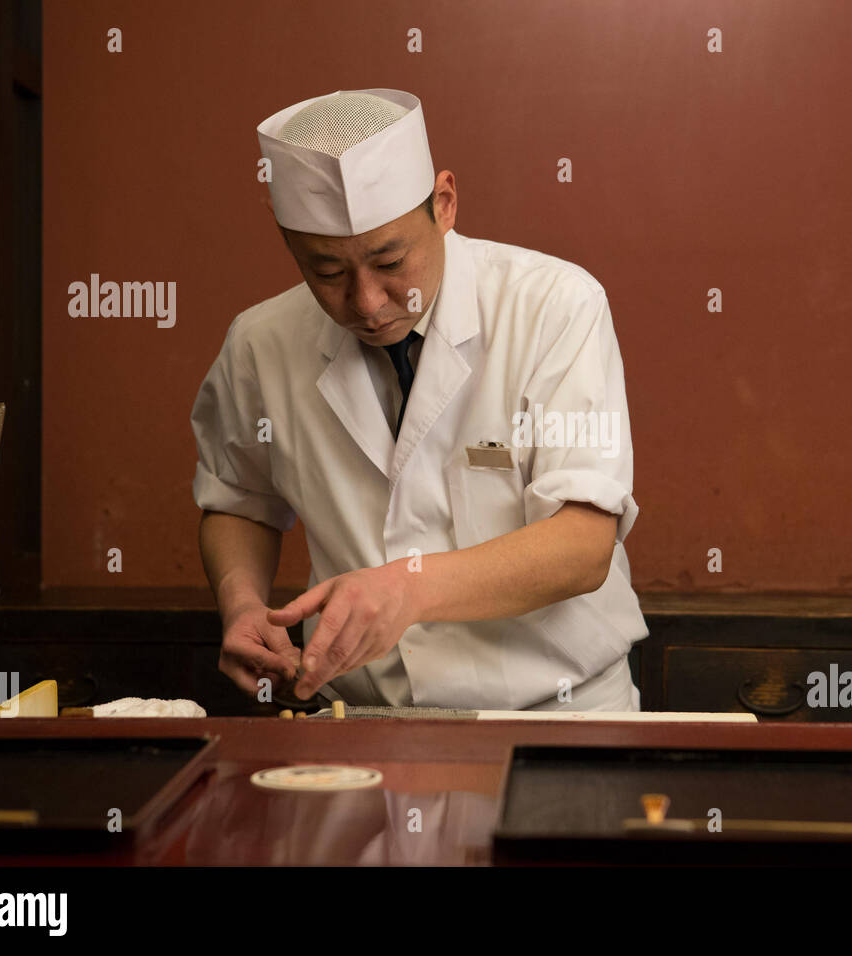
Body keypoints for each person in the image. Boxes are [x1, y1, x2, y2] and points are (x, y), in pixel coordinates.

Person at [190, 89, 647, 712]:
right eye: (327, 272)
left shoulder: (555, 307)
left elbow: (583, 545)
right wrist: (242, 604)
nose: (369, 301)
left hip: (558, 716)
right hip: (361, 718)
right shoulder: (260, 344)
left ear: (445, 203)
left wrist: (409, 587)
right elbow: (239, 502)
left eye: (391, 260)